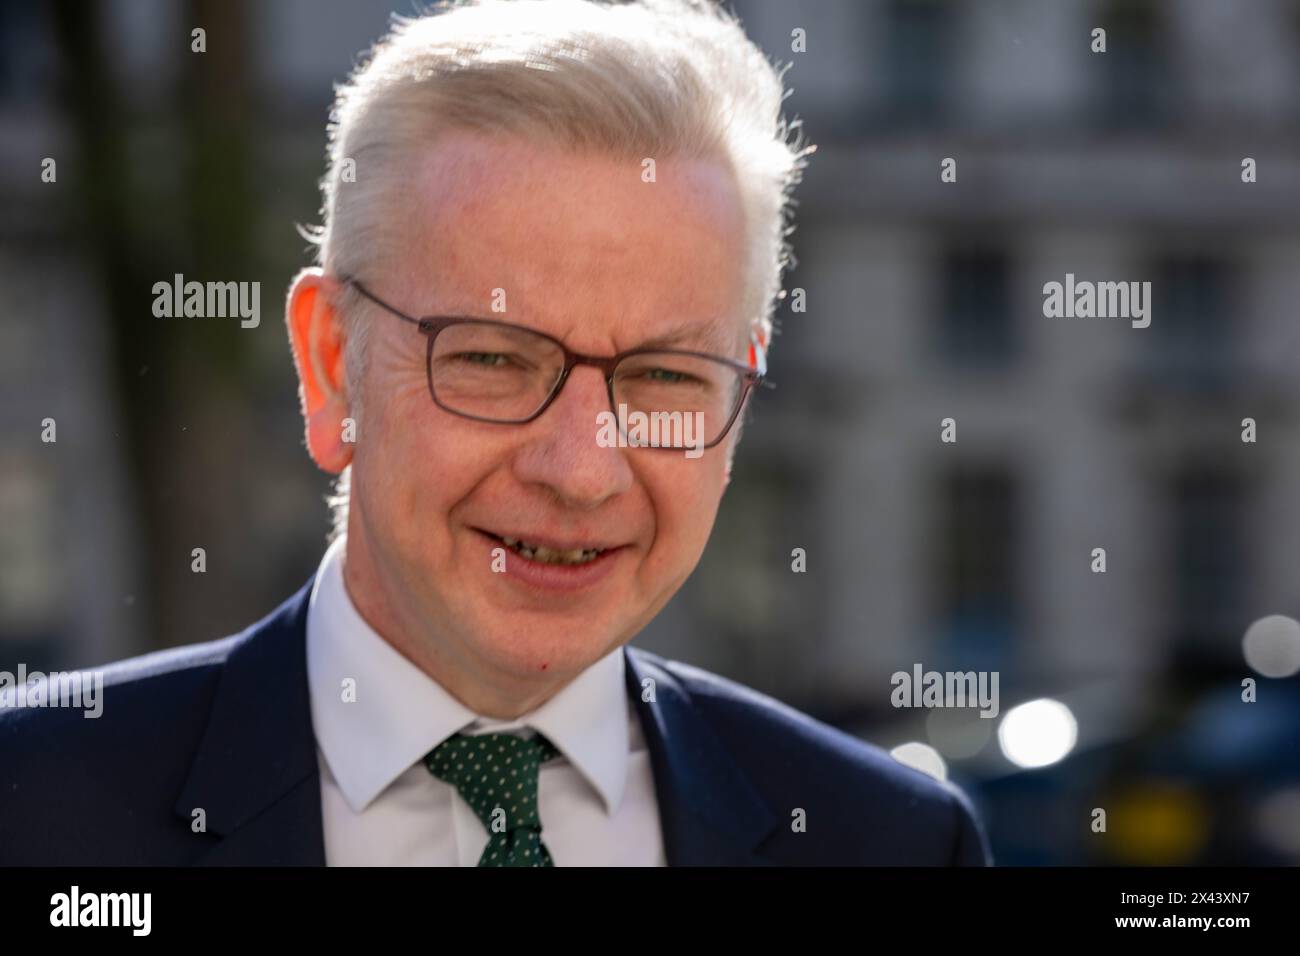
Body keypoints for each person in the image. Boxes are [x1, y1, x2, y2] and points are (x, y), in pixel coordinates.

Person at [0, 0, 990, 866]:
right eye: (493, 359)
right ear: (331, 363)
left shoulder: (894, 840)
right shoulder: (30, 805)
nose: (581, 468)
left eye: (660, 376)